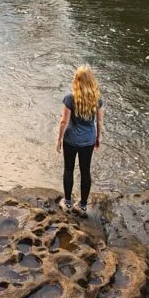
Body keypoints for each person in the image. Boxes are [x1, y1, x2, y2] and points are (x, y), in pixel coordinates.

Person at [56, 64, 103, 217]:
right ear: (91, 80)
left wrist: (59, 139)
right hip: (88, 140)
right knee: (85, 171)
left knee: (68, 169)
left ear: (76, 80)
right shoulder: (97, 99)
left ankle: (67, 202)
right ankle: (82, 205)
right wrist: (97, 138)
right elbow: (99, 121)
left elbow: (64, 121)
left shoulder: (70, 98)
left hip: (71, 139)